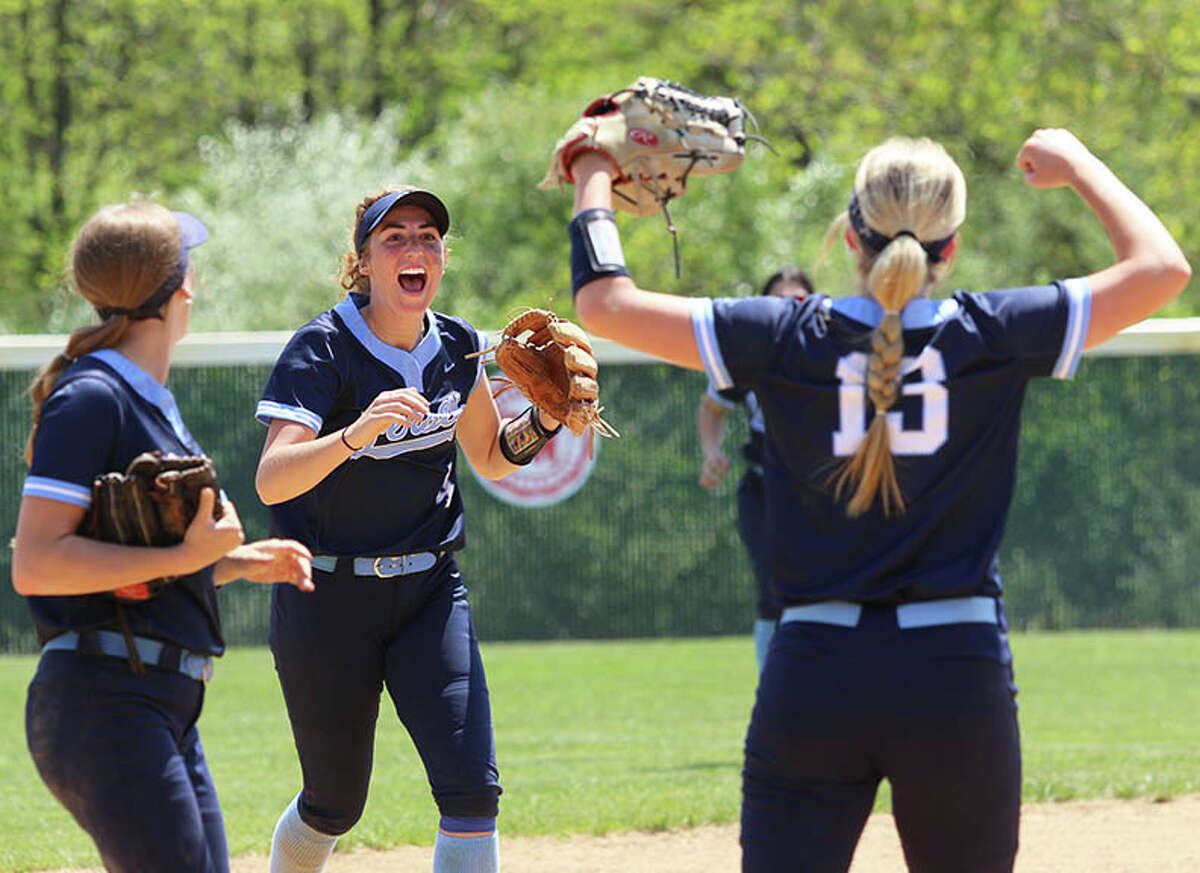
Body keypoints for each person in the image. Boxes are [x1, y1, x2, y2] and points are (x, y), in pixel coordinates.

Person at [561, 129, 1190, 872]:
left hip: (815, 668)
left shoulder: (782, 336)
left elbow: (603, 303)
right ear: (948, 251)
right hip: (956, 670)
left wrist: (593, 172)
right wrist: (1080, 166)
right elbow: (1163, 268)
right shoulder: (996, 333)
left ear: (851, 235)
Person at [255, 186, 562, 873]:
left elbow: (489, 454)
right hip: (327, 600)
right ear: (363, 261)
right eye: (393, 237)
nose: (414, 248)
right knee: (334, 801)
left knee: (472, 790)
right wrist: (353, 435)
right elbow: (272, 477)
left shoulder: (457, 344)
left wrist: (541, 422)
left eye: (427, 236)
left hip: (429, 591)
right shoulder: (324, 348)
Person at [12, 202, 314, 873]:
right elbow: (35, 563)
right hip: (106, 699)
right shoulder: (93, 397)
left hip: (157, 698)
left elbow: (126, 553)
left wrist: (228, 561)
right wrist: (187, 555)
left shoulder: (143, 396)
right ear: (182, 286)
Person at [697, 267, 813, 671]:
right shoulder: (752, 357)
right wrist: (712, 452)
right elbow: (712, 410)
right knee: (773, 591)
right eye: (777, 302)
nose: (787, 309)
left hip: (821, 495)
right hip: (765, 490)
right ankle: (774, 688)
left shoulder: (835, 353)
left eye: (797, 301)